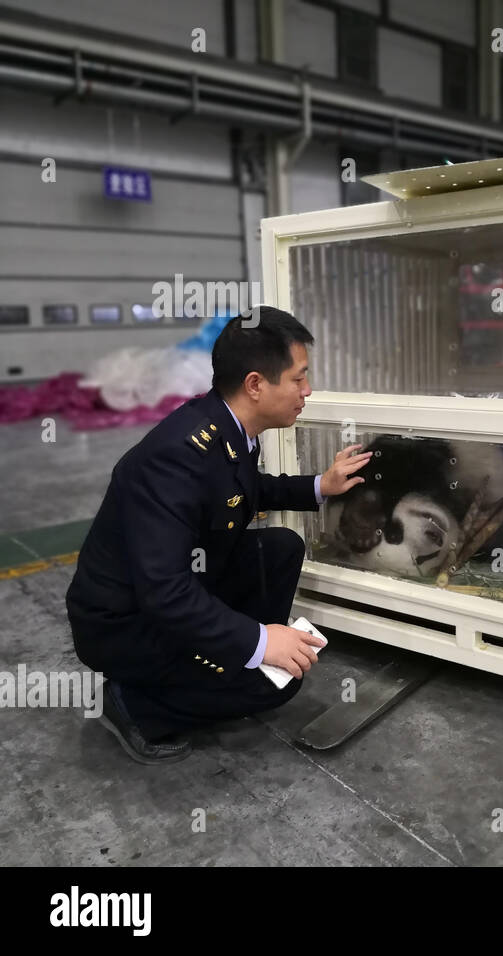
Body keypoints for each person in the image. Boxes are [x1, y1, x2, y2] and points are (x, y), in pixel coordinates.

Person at [66, 306, 371, 764]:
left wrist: (318, 486)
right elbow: (165, 592)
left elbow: (244, 488)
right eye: (298, 378)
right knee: (273, 688)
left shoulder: (229, 426)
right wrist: (261, 642)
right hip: (126, 623)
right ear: (255, 384)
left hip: (183, 581)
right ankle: (133, 704)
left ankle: (225, 662)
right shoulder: (177, 458)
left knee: (281, 547)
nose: (307, 391)